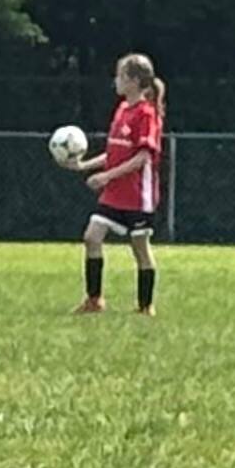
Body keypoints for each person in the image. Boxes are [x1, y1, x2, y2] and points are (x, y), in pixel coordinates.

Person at [71, 54, 166, 315]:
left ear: (134, 81)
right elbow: (114, 153)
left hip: (138, 196)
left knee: (140, 250)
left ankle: (145, 307)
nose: (116, 81)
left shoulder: (147, 114)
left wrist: (106, 176)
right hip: (114, 194)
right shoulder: (122, 110)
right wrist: (84, 165)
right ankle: (94, 299)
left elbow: (143, 157)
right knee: (91, 237)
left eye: (121, 76)